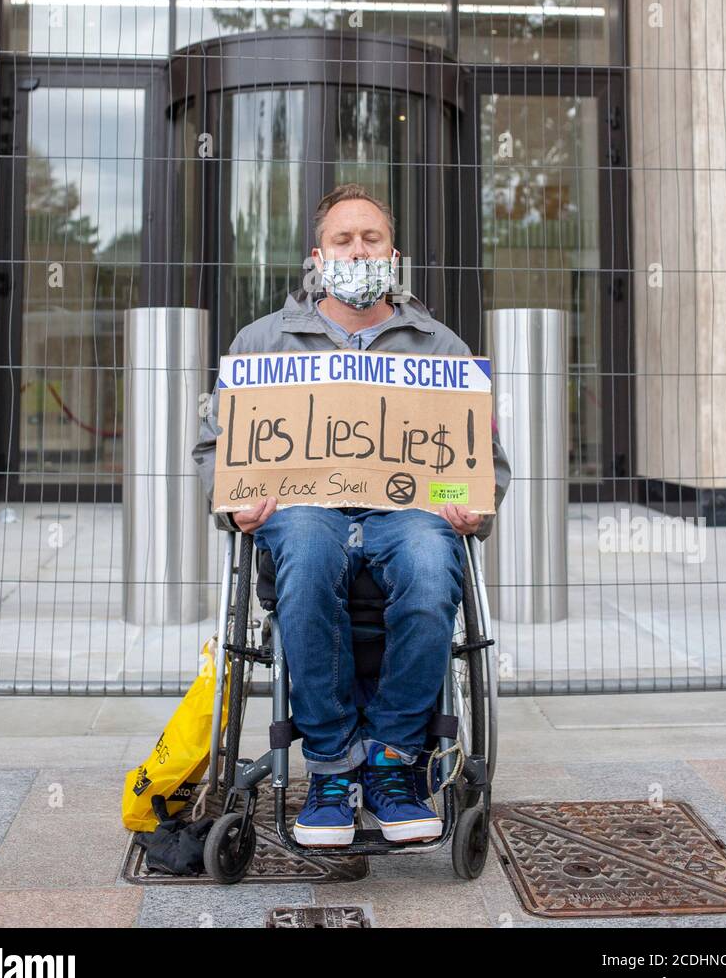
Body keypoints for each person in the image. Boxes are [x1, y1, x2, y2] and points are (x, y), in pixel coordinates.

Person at [192, 183, 510, 847]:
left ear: (394, 255)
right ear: (318, 255)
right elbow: (213, 447)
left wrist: (473, 500)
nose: (358, 251)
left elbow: (484, 462)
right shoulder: (261, 342)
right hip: (304, 507)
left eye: (371, 240)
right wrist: (234, 496)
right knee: (305, 553)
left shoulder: (441, 347)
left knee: (429, 566)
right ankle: (333, 764)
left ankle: (395, 761)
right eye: (344, 240)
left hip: (407, 511)